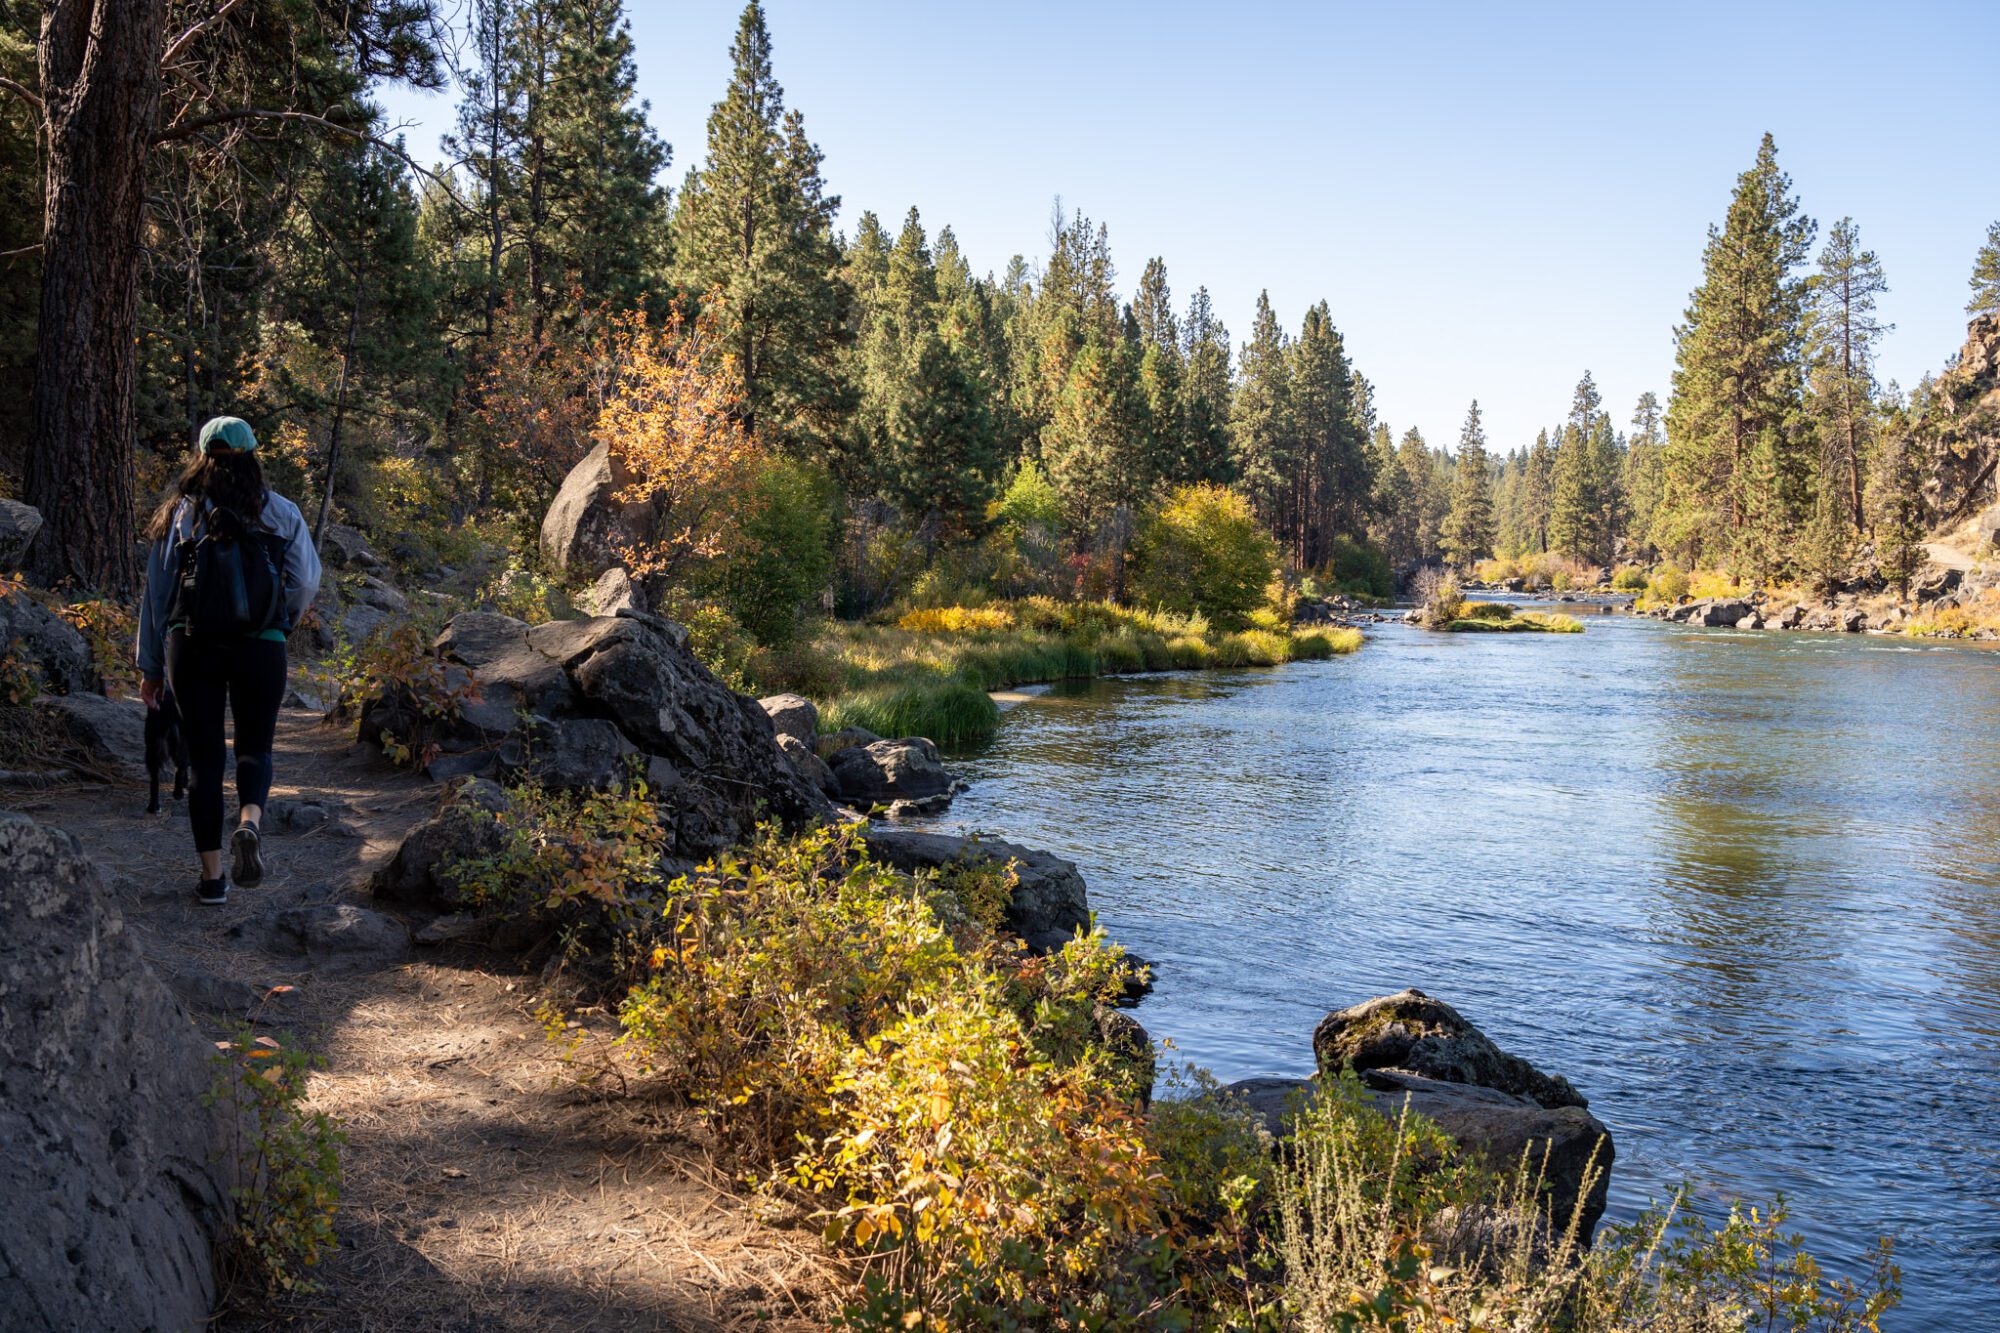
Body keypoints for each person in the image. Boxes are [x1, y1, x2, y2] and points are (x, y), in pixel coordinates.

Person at [137, 416, 322, 905]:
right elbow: (305, 581)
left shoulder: (180, 514)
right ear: (252, 455)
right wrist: (279, 621)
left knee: (203, 757)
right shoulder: (280, 511)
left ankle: (213, 879)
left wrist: (151, 667)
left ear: (201, 457)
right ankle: (250, 821)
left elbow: (157, 596)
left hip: (191, 644)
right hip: (261, 644)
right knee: (255, 747)